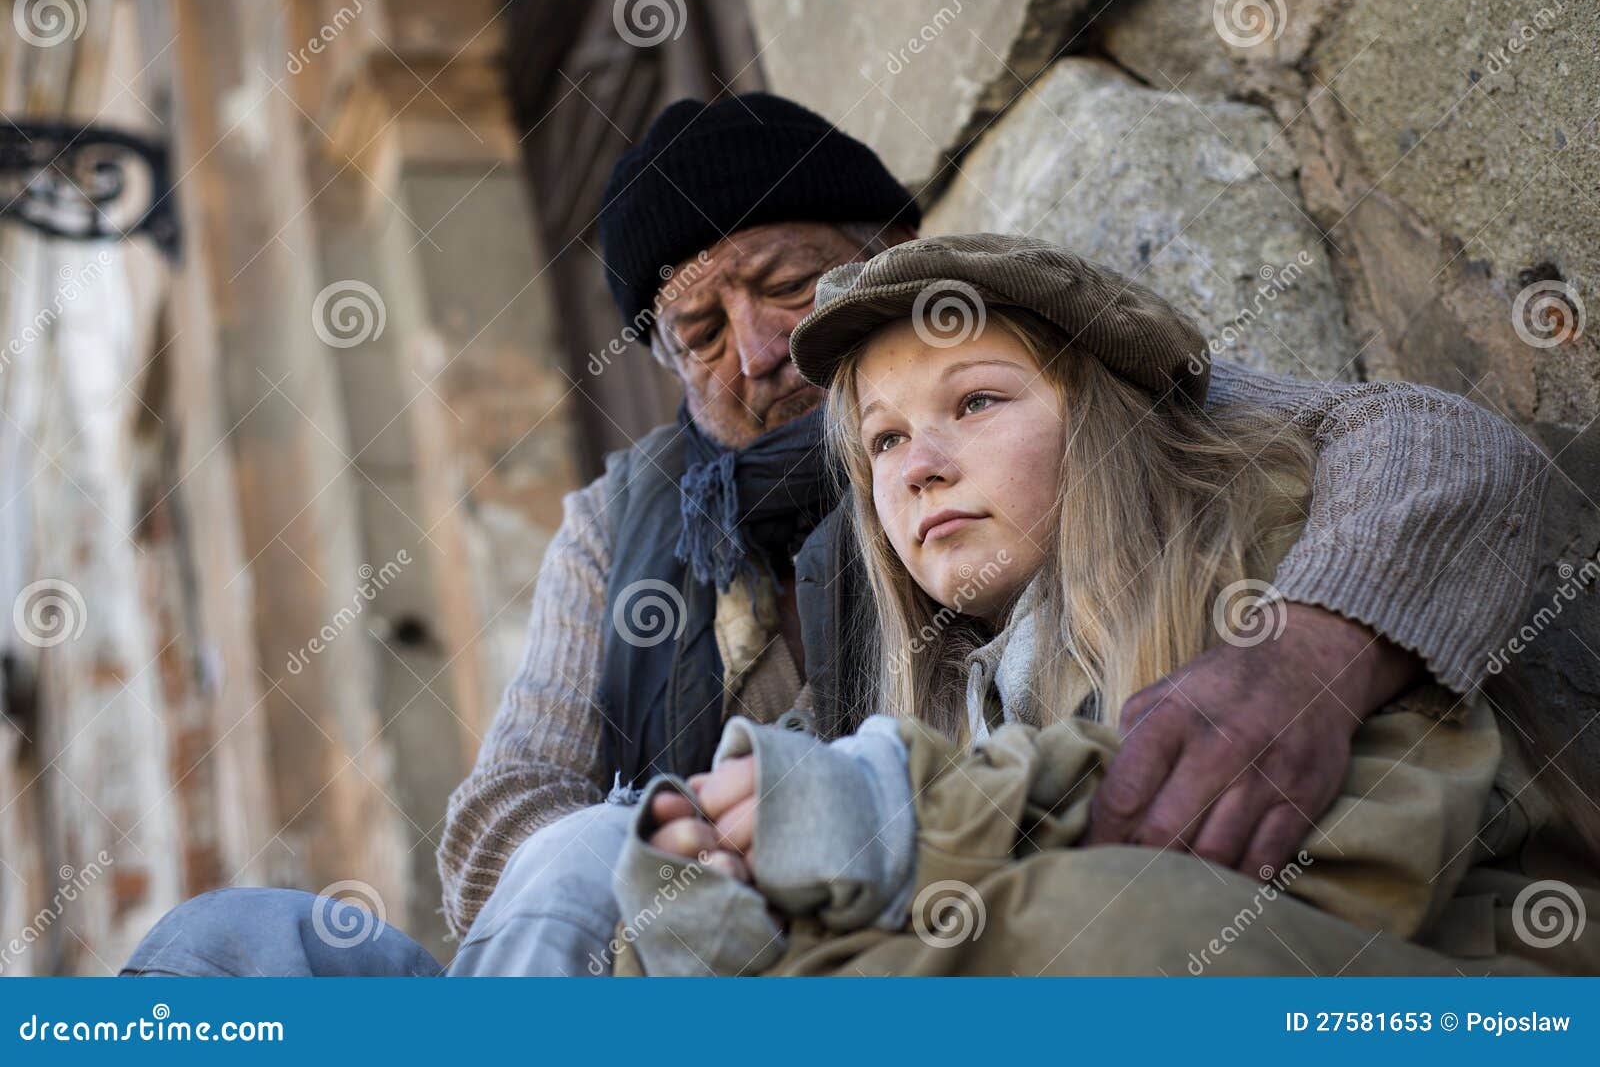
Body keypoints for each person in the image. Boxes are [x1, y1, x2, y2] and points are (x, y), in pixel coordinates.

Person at [122, 95, 1548, 977]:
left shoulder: (1055, 407)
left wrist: (1297, 661)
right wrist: (698, 849)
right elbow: (505, 820)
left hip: (915, 920)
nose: (766, 347)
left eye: (795, 282)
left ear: (898, 256)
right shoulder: (619, 527)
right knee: (227, 956)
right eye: (698, 328)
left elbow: (1429, 446)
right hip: (666, 947)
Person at [601, 233, 1600, 976]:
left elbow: (1281, 903)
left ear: (1107, 423)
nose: (918, 470)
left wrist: (920, 819)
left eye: (976, 403)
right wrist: (727, 917)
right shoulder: (921, 695)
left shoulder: (1292, 571)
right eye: (886, 441)